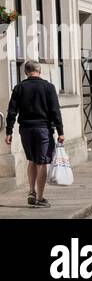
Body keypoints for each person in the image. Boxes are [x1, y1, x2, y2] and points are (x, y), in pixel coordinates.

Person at [4, 60, 64, 208]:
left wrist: (9, 131)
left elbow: (11, 111)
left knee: (31, 160)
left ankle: (31, 191)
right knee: (42, 162)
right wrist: (60, 131)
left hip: (25, 129)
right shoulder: (48, 87)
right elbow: (55, 111)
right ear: (40, 70)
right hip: (43, 129)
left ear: (26, 72)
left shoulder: (19, 88)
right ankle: (40, 197)